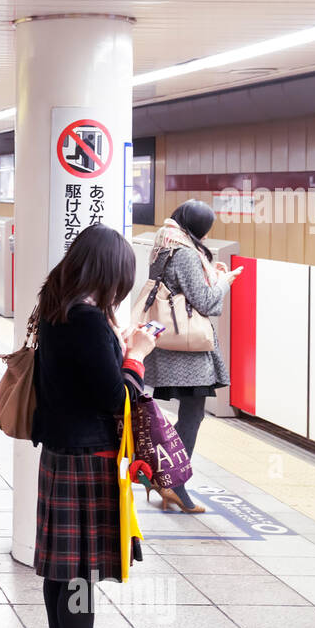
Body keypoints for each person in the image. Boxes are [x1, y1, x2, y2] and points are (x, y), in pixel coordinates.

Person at [31, 224, 154, 628]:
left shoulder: (57, 308)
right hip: (88, 455)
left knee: (62, 569)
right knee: (80, 571)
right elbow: (114, 395)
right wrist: (136, 356)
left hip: (61, 452)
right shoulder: (86, 319)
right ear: (108, 273)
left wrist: (114, 346)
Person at [141, 200, 243, 513]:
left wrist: (212, 275)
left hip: (172, 343)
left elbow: (185, 289)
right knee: (192, 414)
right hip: (186, 351)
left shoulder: (165, 243)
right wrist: (224, 283)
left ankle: (163, 477)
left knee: (190, 412)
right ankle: (173, 483)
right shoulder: (184, 252)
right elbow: (207, 302)